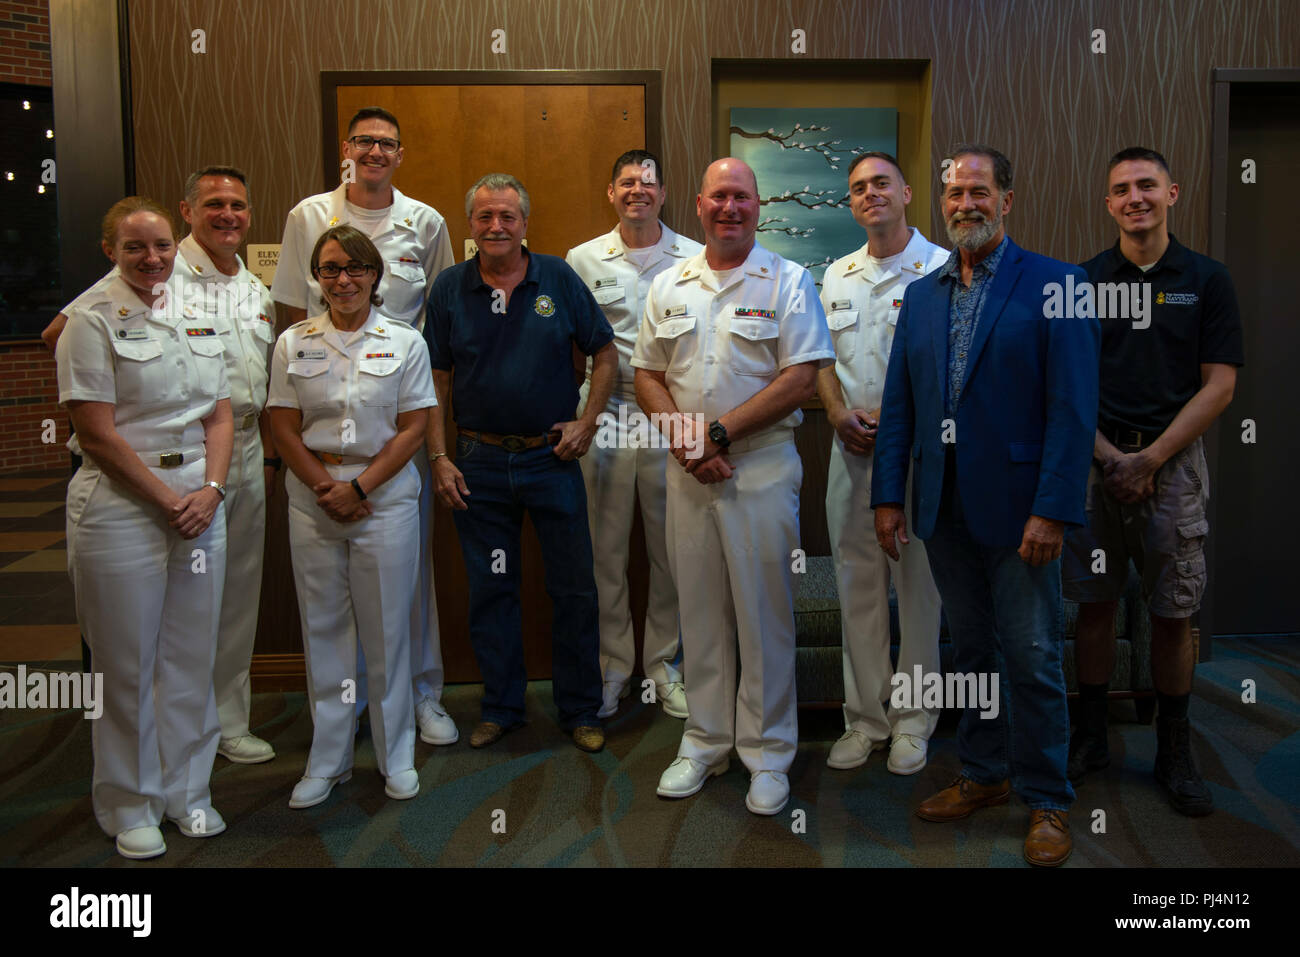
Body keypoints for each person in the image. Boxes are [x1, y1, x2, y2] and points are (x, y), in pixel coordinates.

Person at [871, 145, 1099, 866]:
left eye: (979, 190)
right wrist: (887, 496)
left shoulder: (1059, 285)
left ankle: (1048, 799)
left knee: (1031, 654)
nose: (964, 203)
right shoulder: (923, 294)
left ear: (1007, 198)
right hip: (944, 510)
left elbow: (1072, 410)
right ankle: (982, 774)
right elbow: (899, 408)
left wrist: (1054, 509)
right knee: (970, 653)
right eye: (954, 193)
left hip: (1023, 511)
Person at [45, 167, 280, 766]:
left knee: (232, 595)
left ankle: (225, 723)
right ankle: (153, 744)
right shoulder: (160, 270)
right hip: (161, 460)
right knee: (157, 618)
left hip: (240, 449)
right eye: (213, 205)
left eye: (238, 205)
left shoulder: (253, 284)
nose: (227, 215)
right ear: (187, 212)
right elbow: (61, 332)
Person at [633, 157, 834, 816]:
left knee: (763, 612)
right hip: (689, 470)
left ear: (758, 205)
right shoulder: (670, 282)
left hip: (761, 468)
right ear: (698, 204)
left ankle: (769, 752)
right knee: (699, 610)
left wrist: (715, 436)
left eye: (741, 197)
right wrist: (691, 443)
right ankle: (705, 740)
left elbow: (802, 377)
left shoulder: (789, 280)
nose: (730, 207)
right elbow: (646, 375)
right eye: (719, 196)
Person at [1063, 147, 1243, 816]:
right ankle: (1090, 738)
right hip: (1095, 464)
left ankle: (1174, 746)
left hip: (1173, 469)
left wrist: (1151, 458)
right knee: (1094, 605)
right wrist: (1111, 456)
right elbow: (1067, 385)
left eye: (1147, 185)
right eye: (1121, 189)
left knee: (1173, 611)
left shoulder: (1208, 279)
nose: (1135, 197)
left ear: (1173, 191)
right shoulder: (1079, 282)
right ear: (1108, 204)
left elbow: (1220, 385)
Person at [272, 106, 457, 747]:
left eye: (387, 143)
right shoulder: (307, 217)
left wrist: (431, 440)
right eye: (364, 141)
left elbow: (440, 323)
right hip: (324, 415)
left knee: (407, 573)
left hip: (399, 416)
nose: (375, 151)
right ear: (346, 149)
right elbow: (293, 316)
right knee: (330, 593)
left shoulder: (425, 222)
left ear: (400, 154)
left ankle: (419, 693)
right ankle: (349, 706)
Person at [56, 197, 233, 859]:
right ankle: (129, 800)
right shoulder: (89, 319)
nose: (153, 258)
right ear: (111, 250)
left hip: (199, 502)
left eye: (161, 244)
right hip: (122, 508)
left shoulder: (195, 307)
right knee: (126, 664)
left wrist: (211, 489)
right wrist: (168, 499)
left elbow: (219, 413)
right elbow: (95, 434)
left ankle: (188, 789)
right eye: (135, 248)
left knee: (191, 655)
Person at [425, 173, 616, 753]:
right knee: (491, 588)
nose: (496, 227)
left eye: (507, 216)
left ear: (525, 223)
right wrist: (438, 456)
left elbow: (605, 354)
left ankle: (581, 708)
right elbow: (433, 379)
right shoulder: (450, 288)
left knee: (574, 589)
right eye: (484, 217)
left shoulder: (556, 277)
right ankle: (502, 706)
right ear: (471, 226)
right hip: (477, 463)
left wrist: (587, 423)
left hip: (550, 459)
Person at [267, 225, 433, 808]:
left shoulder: (406, 341)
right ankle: (329, 758)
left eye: (355, 268)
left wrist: (359, 485)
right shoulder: (294, 341)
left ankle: (397, 754)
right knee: (325, 630)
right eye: (331, 268)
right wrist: (326, 487)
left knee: (388, 630)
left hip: (383, 498)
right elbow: (282, 426)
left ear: (374, 275)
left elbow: (414, 428)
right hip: (313, 500)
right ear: (317, 277)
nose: (344, 279)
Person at [816, 152, 947, 775]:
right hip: (852, 451)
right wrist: (838, 412)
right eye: (859, 188)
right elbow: (819, 364)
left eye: (881, 184)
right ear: (851, 202)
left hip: (920, 456)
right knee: (856, 583)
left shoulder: (943, 270)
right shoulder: (835, 275)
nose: (871, 194)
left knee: (919, 587)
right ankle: (865, 719)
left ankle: (914, 722)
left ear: (906, 192)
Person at [564, 149, 701, 721]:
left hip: (670, 415)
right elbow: (568, 342)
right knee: (605, 552)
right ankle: (613, 666)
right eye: (626, 182)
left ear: (664, 193)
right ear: (611, 193)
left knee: (672, 550)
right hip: (608, 413)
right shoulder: (582, 258)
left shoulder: (694, 257)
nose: (637, 191)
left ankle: (664, 667)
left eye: (648, 182)